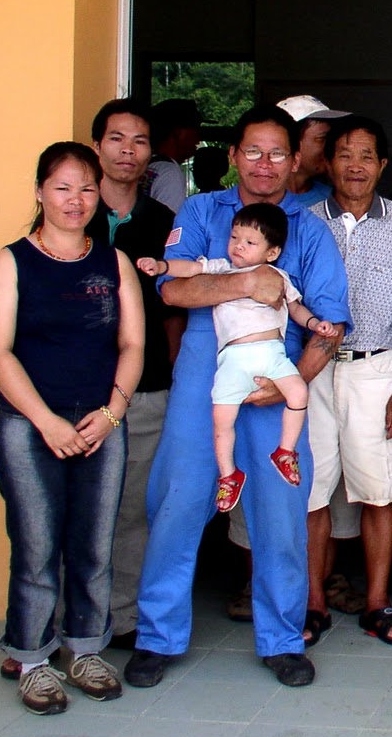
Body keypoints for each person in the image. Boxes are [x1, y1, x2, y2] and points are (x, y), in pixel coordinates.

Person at [125, 104, 350, 691]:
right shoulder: (202, 211)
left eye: (277, 153)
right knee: (176, 504)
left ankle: (282, 639)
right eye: (252, 151)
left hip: (276, 382)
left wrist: (289, 382)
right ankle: (157, 636)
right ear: (232, 156)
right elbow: (173, 290)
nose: (264, 164)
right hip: (204, 382)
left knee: (281, 513)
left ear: (295, 161)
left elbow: (330, 323)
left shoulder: (310, 230)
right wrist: (246, 281)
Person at [0, 142, 145, 714]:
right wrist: (45, 421)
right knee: (37, 546)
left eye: (87, 188)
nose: (76, 200)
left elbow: (133, 344)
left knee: (94, 545)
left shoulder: (114, 263)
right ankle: (32, 660)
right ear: (40, 192)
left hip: (101, 424)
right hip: (30, 426)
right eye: (63, 188)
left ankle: (86, 650)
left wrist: (113, 412)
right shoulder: (11, 263)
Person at [304, 115, 392, 646]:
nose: (355, 166)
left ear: (382, 165)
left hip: (379, 368)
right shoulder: (304, 221)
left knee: (380, 490)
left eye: (366, 156)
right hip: (311, 371)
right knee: (311, 491)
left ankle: (377, 602)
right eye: (345, 155)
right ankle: (312, 603)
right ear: (327, 163)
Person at [137, 203, 341, 511]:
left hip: (273, 356)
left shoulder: (279, 276)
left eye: (249, 242)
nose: (238, 246)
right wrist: (162, 266)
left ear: (272, 253)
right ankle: (228, 474)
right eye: (234, 238)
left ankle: (285, 451)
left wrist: (315, 324)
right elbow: (189, 269)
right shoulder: (222, 268)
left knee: (299, 393)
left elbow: (297, 309)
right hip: (233, 360)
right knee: (222, 421)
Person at [91, 99, 180, 656]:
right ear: (97, 145)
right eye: (117, 139)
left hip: (147, 389)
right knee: (76, 510)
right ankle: (64, 620)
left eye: (140, 141)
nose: (128, 150)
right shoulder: (72, 213)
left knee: (133, 509)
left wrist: (174, 383)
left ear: (151, 154)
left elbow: (172, 311)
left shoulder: (164, 223)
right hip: (78, 391)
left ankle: (122, 616)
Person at [277, 94, 347, 208]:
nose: (331, 146)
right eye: (322, 139)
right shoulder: (257, 198)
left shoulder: (334, 200)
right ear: (290, 143)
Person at [145, 98, 202, 212]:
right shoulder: (170, 173)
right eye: (196, 129)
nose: (198, 138)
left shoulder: (146, 167)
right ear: (178, 132)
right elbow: (169, 222)